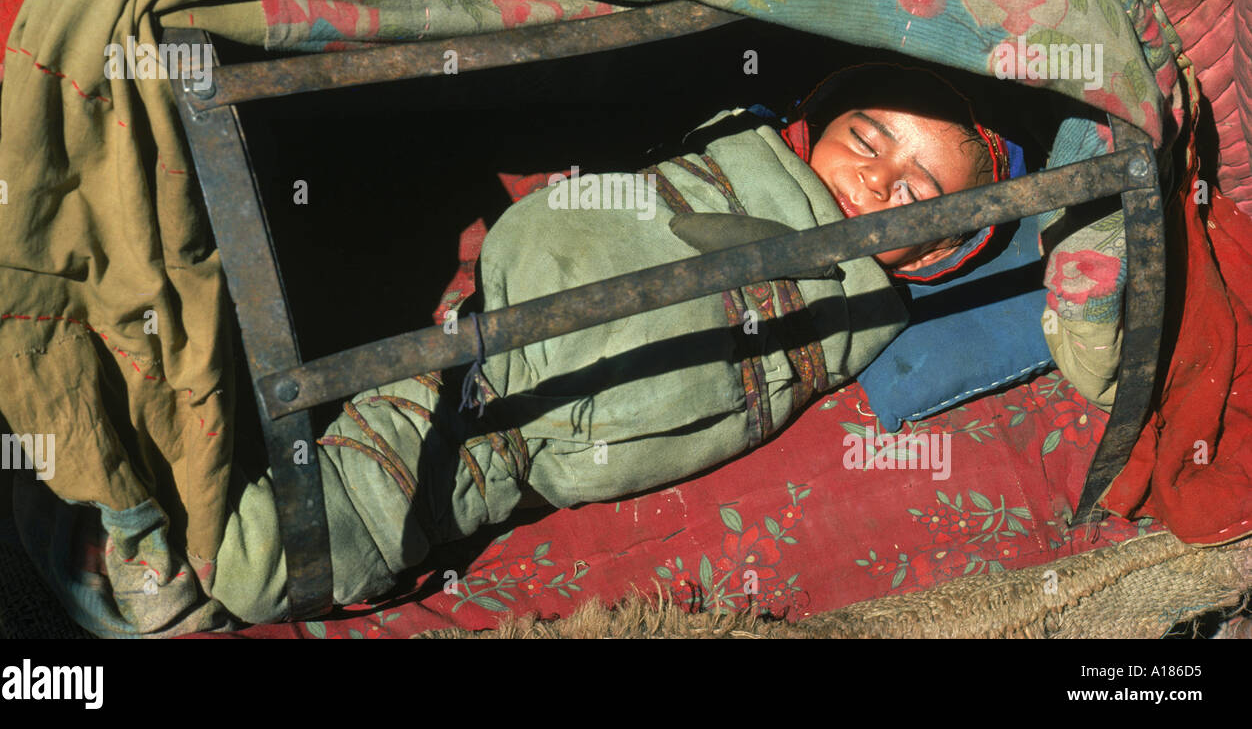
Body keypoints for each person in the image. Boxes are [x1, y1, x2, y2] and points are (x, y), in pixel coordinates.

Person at [210, 64, 1013, 622]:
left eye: (915, 194)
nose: (875, 181)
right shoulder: (747, 153)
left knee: (327, 530)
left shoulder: (869, 310)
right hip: (502, 327)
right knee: (377, 430)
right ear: (814, 126)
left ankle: (160, 547)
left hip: (538, 432)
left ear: (938, 253)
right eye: (867, 140)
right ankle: (163, 526)